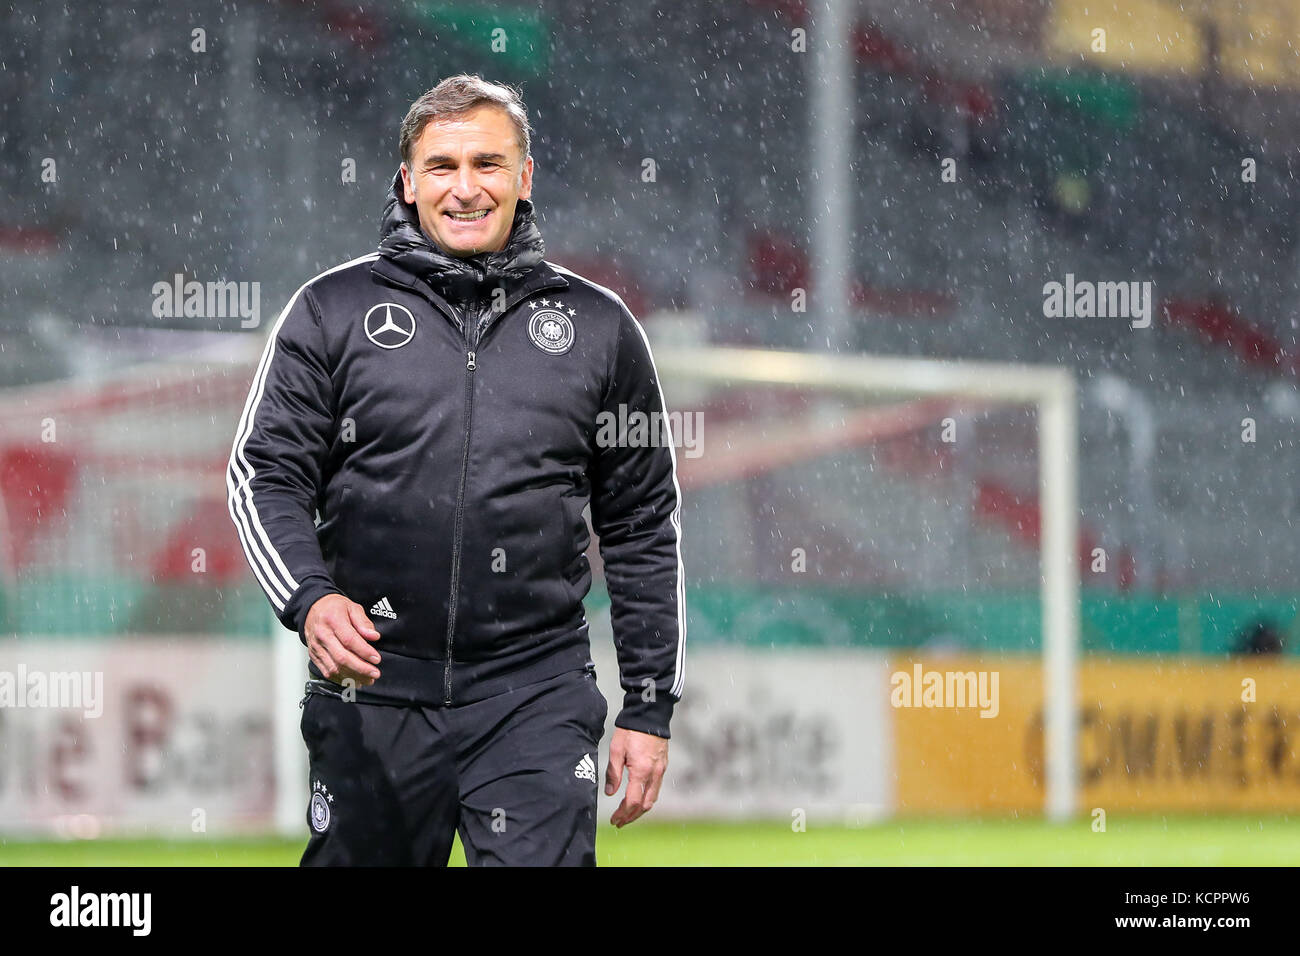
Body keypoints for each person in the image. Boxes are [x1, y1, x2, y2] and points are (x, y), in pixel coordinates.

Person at [226, 74, 685, 866]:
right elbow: (263, 474)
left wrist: (648, 706)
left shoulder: (602, 329)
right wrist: (310, 596)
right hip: (372, 689)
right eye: (442, 166)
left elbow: (643, 524)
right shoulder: (328, 311)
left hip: (533, 691)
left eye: (488, 164)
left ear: (525, 177)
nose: (465, 189)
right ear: (406, 181)